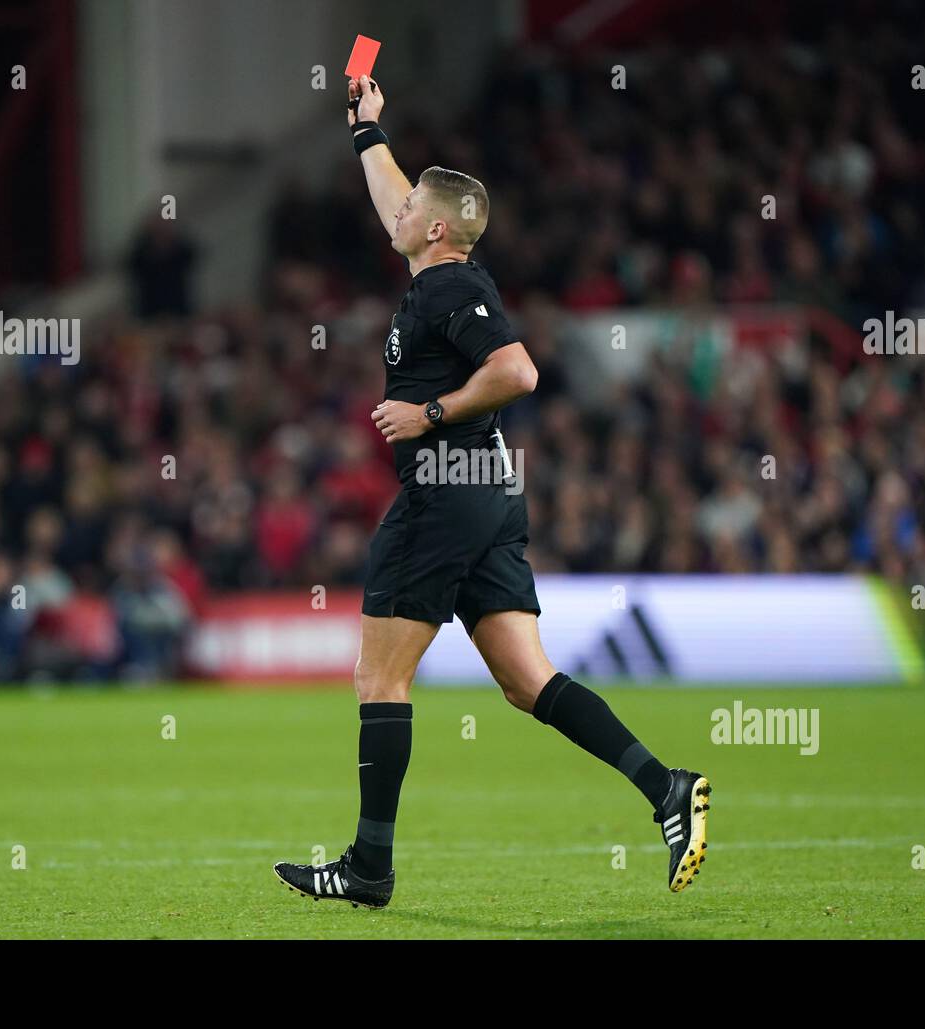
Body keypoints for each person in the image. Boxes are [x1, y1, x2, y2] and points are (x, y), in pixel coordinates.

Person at [273, 75, 709, 909]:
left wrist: (429, 409)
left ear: (434, 230)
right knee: (526, 679)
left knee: (379, 681)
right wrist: (369, 133)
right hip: (489, 488)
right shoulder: (443, 267)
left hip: (444, 491)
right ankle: (666, 787)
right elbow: (403, 202)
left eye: (409, 214)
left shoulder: (450, 288)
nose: (393, 217)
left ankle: (369, 866)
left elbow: (519, 369)